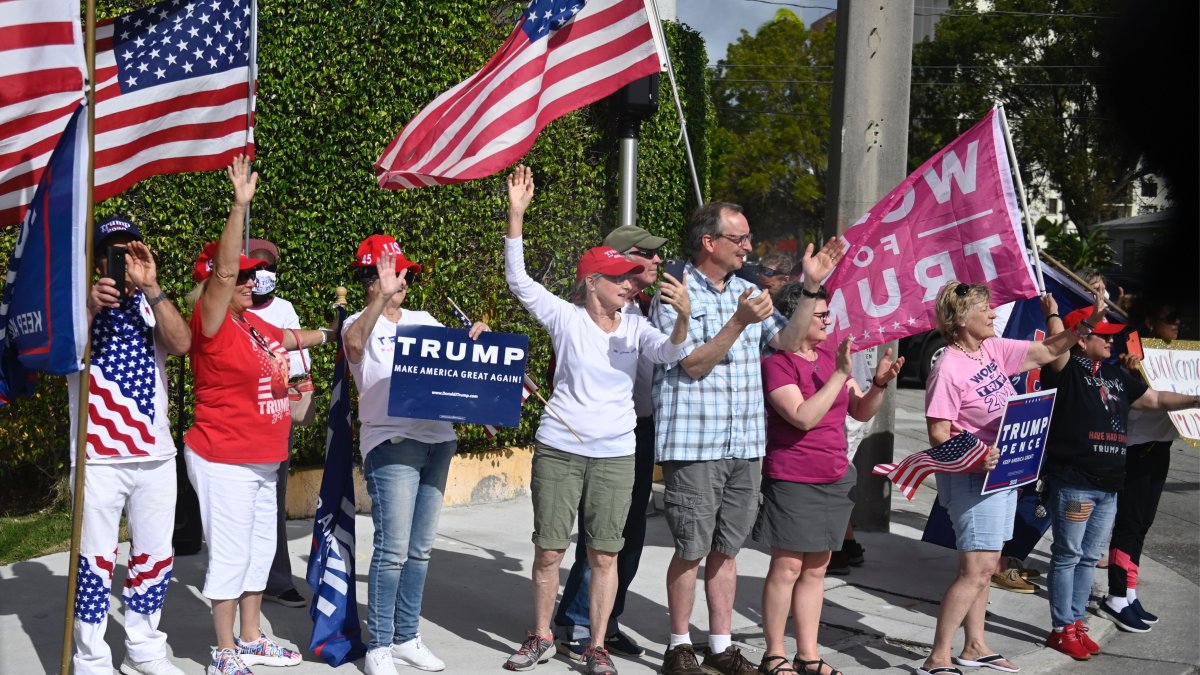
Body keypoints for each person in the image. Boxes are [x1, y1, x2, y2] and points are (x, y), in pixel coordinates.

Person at [501, 165, 691, 675]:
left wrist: (684, 320)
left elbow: (671, 354)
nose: (631, 286)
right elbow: (518, 280)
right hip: (560, 447)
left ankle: (596, 645)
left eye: (632, 279)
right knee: (549, 551)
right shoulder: (564, 316)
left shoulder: (636, 326)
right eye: (621, 279)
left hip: (616, 453)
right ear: (593, 282)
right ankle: (540, 636)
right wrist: (517, 215)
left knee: (605, 554)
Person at [649, 201, 843, 675]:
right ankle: (678, 646)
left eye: (749, 238)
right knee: (692, 549)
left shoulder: (748, 290)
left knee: (727, 552)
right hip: (695, 445)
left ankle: (720, 645)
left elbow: (789, 340)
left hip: (745, 445)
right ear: (709, 242)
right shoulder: (675, 292)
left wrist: (811, 287)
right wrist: (738, 322)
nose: (749, 247)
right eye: (739, 239)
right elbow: (690, 365)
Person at [184, 156, 331, 675]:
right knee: (228, 554)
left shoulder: (252, 325)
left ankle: (250, 637)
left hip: (263, 461)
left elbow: (294, 338)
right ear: (216, 284)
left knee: (258, 550)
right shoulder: (213, 320)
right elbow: (224, 271)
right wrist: (239, 207)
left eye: (254, 275)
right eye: (242, 277)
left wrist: (338, 330)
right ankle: (223, 651)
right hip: (224, 456)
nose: (251, 281)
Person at [918, 280, 1101, 675]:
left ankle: (976, 645)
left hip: (1003, 474)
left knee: (988, 565)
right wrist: (977, 455)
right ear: (961, 318)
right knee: (976, 570)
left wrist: (1087, 325)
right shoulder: (947, 366)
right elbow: (938, 432)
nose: (993, 314)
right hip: (971, 478)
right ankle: (938, 656)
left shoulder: (991, 349)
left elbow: (1050, 350)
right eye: (985, 309)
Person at [342, 234, 488, 675]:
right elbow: (353, 348)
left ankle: (407, 637)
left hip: (437, 441)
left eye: (405, 274)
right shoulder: (358, 321)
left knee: (421, 550)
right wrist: (380, 300)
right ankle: (379, 645)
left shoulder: (424, 318)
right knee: (393, 550)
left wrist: (475, 343)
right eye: (394, 273)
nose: (403, 280)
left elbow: (457, 370)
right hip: (390, 444)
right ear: (371, 278)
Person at [754, 281, 902, 675]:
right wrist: (839, 374)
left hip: (835, 475)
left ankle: (808, 654)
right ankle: (774, 654)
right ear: (797, 318)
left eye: (826, 314)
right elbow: (801, 416)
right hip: (793, 477)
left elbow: (861, 411)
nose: (827, 321)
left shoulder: (828, 356)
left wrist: (880, 384)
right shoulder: (777, 362)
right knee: (787, 567)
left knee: (817, 569)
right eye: (819, 315)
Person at [67, 217, 191, 675]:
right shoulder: (77, 304)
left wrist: (153, 286)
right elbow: (57, 353)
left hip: (155, 454)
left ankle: (144, 651)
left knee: (154, 559)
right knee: (95, 562)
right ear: (95, 258)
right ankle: (91, 659)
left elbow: (182, 344)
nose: (119, 261)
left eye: (128, 250)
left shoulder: (149, 304)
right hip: (98, 457)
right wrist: (90, 308)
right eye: (110, 252)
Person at [1040, 307, 1199, 657]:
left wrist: (1194, 399)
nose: (1112, 339)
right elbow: (1056, 344)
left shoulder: (1115, 374)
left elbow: (1155, 399)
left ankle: (1077, 623)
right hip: (1075, 482)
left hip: (1108, 486)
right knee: (1067, 556)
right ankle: (1061, 628)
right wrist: (1053, 313)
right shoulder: (1065, 369)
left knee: (1087, 558)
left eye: (1111, 334)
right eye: (1103, 334)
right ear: (1081, 338)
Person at [552, 224, 669, 661]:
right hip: (600, 434)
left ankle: (607, 619)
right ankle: (578, 622)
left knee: (628, 535)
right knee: (600, 536)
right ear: (618, 260)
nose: (657, 261)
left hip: (641, 429)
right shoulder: (584, 313)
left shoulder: (647, 306)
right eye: (646, 254)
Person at [1102, 299, 1182, 630]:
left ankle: (1130, 591)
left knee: (1144, 522)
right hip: (1135, 447)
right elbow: (1122, 395)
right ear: (1150, 322)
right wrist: (1130, 373)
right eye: (1170, 318)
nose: (1177, 325)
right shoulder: (1131, 352)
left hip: (1160, 445)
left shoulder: (1182, 354)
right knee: (1130, 522)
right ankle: (1116, 595)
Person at [244, 238, 308, 609]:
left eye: (267, 267)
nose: (261, 275)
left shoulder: (284, 310)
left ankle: (277, 579)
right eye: (254, 267)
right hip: (237, 420)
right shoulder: (230, 308)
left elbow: (296, 366)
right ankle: (239, 581)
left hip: (273, 421)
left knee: (271, 503)